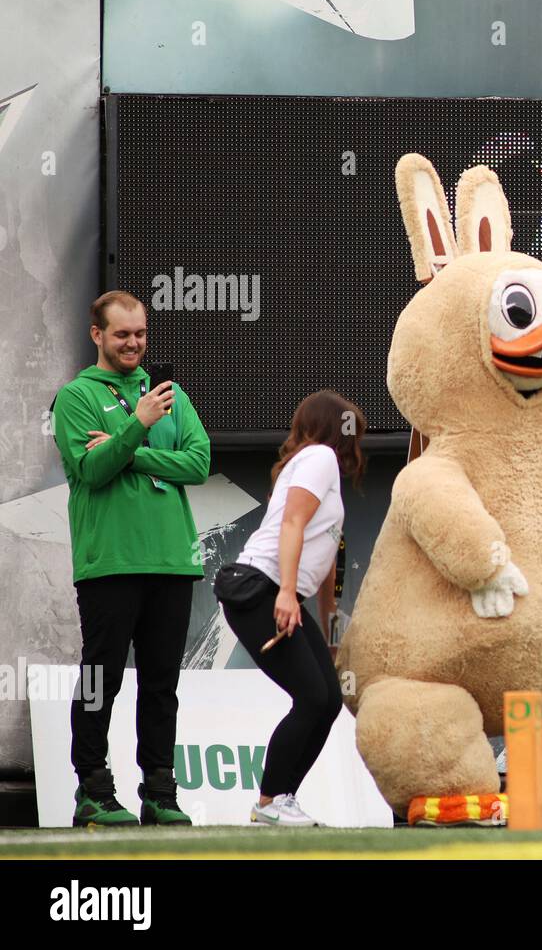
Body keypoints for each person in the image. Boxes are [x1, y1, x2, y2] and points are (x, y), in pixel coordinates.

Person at [51, 290, 211, 827]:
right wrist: (139, 423)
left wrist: (131, 450)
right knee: (101, 677)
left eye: (140, 334)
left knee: (162, 683)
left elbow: (198, 462)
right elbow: (91, 470)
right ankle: (92, 789)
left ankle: (160, 792)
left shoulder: (167, 393)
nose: (133, 344)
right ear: (96, 335)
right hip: (110, 563)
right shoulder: (75, 396)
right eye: (122, 334)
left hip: (171, 560)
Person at [217, 389, 365, 826]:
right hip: (259, 588)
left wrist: (330, 632)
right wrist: (284, 593)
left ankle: (281, 800)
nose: (358, 439)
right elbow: (292, 523)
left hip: (279, 591)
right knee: (311, 697)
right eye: (352, 428)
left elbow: (326, 564)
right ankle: (268, 802)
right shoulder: (319, 457)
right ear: (332, 429)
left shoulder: (323, 472)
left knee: (328, 700)